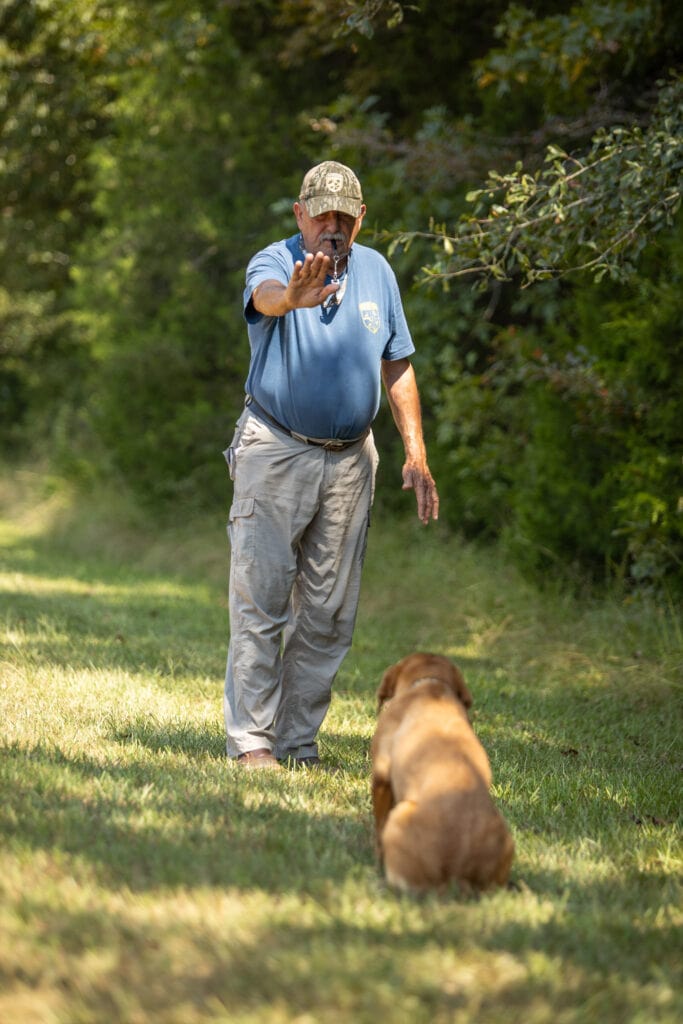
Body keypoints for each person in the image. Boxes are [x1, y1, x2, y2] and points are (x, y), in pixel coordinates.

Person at [223, 160, 439, 770]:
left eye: (345, 214)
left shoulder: (377, 272)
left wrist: (416, 452)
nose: (333, 225)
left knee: (328, 613)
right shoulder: (275, 261)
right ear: (300, 214)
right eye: (322, 214)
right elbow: (265, 299)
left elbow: (397, 364)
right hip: (275, 447)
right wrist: (291, 297)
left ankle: (296, 741)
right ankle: (253, 743)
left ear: (361, 217)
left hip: (351, 462)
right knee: (261, 601)